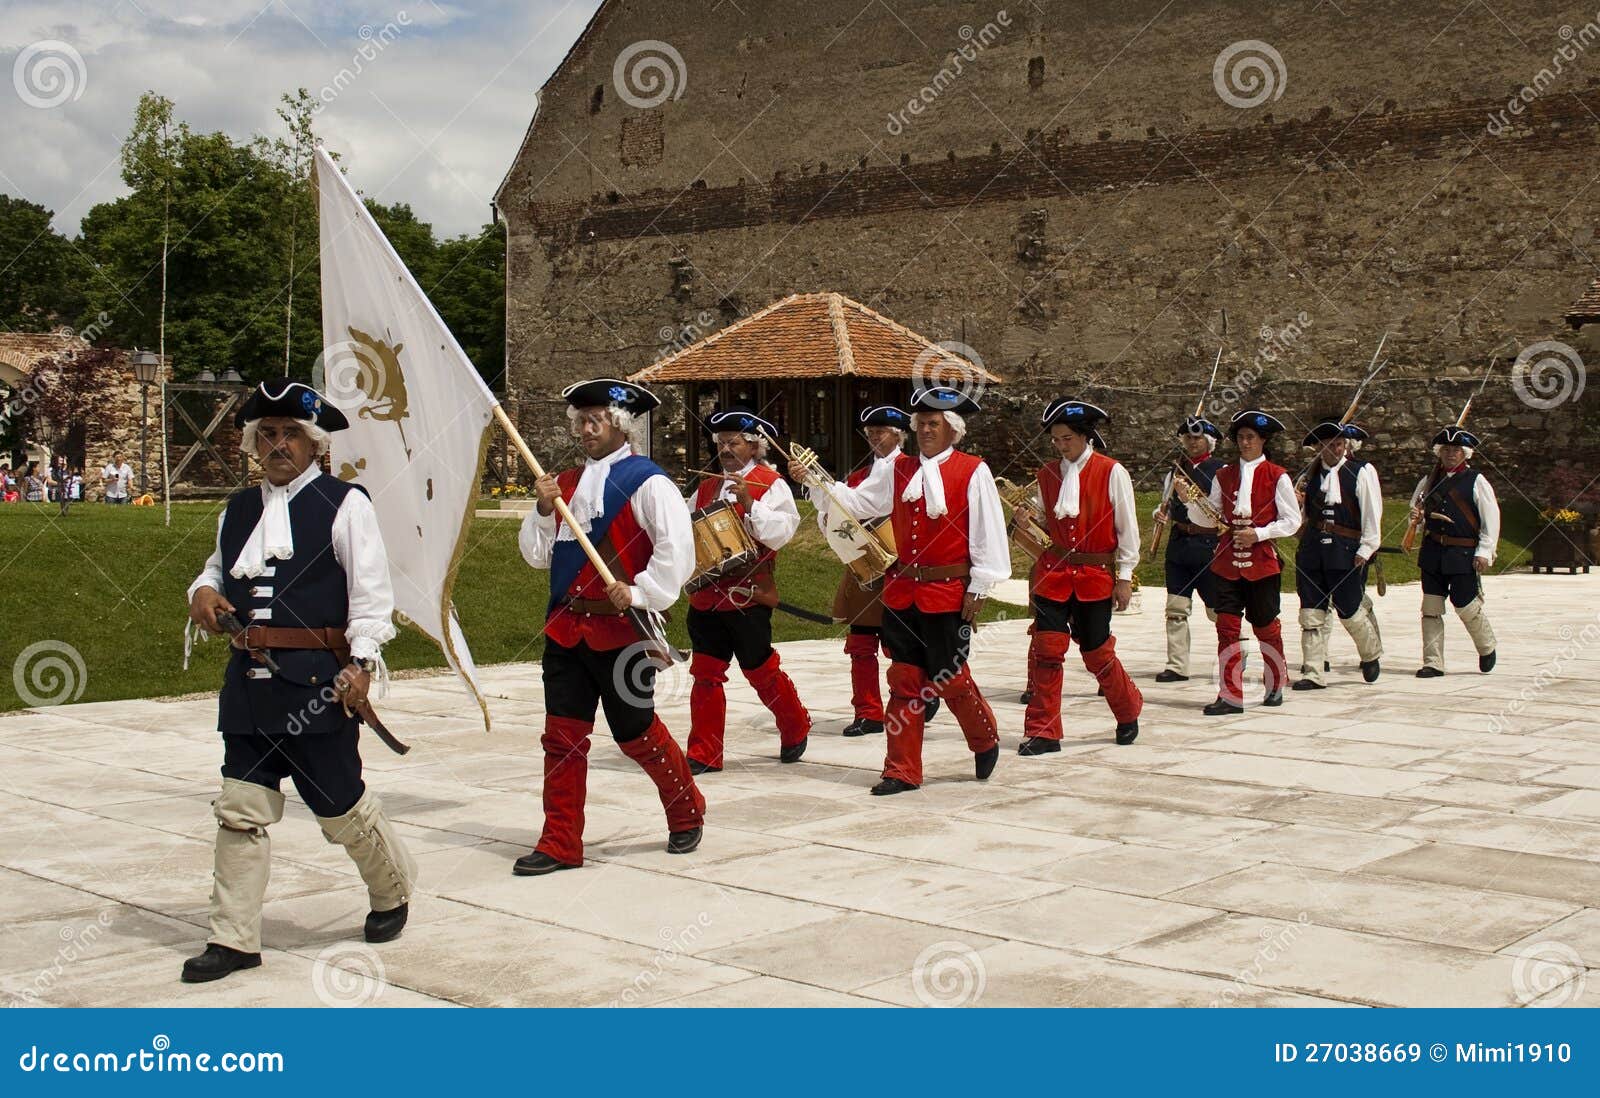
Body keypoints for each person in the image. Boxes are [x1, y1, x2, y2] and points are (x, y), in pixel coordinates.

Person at [180, 380, 414, 983]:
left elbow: (370, 596)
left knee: (339, 808)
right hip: (249, 688)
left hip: (316, 687)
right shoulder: (239, 508)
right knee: (240, 808)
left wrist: (361, 665)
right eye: (267, 434)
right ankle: (233, 939)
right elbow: (218, 568)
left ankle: (392, 890)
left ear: (314, 445)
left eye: (290, 434)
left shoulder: (344, 503)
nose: (278, 444)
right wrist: (203, 592)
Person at [514, 378, 704, 876]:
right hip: (564, 631)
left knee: (635, 733)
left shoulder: (650, 482)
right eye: (581, 419)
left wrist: (640, 592)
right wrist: (540, 509)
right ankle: (560, 842)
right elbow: (536, 557)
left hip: (623, 635)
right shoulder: (564, 485)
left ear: (621, 425)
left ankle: (687, 808)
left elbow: (677, 551)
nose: (586, 428)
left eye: (596, 418)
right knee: (562, 738)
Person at [793, 386, 1009, 795]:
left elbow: (986, 531)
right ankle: (901, 769)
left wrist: (980, 586)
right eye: (921, 424)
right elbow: (856, 504)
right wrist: (817, 483)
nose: (926, 430)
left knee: (949, 676)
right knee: (905, 679)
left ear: (953, 430)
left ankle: (984, 736)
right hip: (902, 591)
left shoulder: (972, 469)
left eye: (934, 424)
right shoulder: (897, 470)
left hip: (948, 591)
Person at [683, 407, 811, 772]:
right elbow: (685, 531)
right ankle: (704, 752)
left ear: (753, 446)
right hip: (706, 597)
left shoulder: (772, 483)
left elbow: (782, 533)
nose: (725, 449)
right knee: (705, 672)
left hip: (748, 594)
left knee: (759, 669)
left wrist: (749, 503)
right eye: (720, 442)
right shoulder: (705, 486)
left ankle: (795, 724)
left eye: (733, 442)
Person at [1019, 400, 1142, 754]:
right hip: (1052, 574)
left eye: (1067, 438)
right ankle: (1043, 731)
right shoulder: (1047, 474)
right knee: (1047, 650)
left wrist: (1124, 576)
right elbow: (1045, 516)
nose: (1061, 445)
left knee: (1096, 653)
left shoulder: (1111, 471)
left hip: (1093, 576)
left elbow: (1127, 528)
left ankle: (1128, 709)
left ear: (1085, 437)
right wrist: (1029, 518)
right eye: (1056, 440)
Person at [1178, 410, 1302, 715]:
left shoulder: (1277, 475)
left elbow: (1291, 521)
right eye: (1241, 438)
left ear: (1262, 440)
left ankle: (1275, 682)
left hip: (1261, 562)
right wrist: (1189, 500)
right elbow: (1210, 516)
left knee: (1265, 626)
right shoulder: (1225, 474)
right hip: (1226, 562)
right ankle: (1230, 694)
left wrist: (1259, 534)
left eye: (1251, 438)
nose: (1245, 443)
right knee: (1227, 627)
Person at [808, 405, 910, 737]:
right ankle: (868, 711)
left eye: (881, 431)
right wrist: (815, 482)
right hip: (863, 563)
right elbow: (833, 511)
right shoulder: (860, 477)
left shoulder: (906, 470)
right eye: (870, 433)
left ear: (897, 434)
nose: (875, 438)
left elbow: (862, 505)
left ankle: (914, 700)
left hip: (899, 566)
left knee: (902, 644)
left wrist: (819, 479)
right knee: (861, 642)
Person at [1293, 420, 1383, 689]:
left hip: (1345, 551)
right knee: (1311, 612)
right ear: (1318, 448)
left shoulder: (1362, 471)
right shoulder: (1310, 475)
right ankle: (1313, 672)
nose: (1333, 449)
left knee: (1350, 609)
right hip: (1312, 550)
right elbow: (1301, 516)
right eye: (1326, 445)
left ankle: (1370, 653)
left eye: (1338, 444)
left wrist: (1367, 548)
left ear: (1346, 445)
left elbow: (1371, 513)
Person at [1411, 424, 1498, 676]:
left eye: (1456, 450)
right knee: (1431, 608)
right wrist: (1415, 519)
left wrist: (1484, 551)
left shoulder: (1476, 481)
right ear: (1439, 452)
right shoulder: (1428, 482)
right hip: (1432, 553)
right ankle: (1433, 662)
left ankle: (1486, 646)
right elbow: (1415, 518)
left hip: (1462, 554)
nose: (1451, 454)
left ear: (1465, 453)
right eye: (1446, 449)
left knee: (1466, 605)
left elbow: (1490, 518)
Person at [1152, 416, 1225, 682]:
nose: (1192, 442)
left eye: (1197, 438)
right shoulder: (1175, 471)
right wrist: (1159, 515)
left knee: (1218, 610)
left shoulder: (1221, 471)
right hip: (1179, 546)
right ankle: (1177, 665)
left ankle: (1234, 656)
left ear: (1209, 441)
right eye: (1188, 438)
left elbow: (1219, 511)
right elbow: (1166, 504)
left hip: (1208, 546)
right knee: (1176, 608)